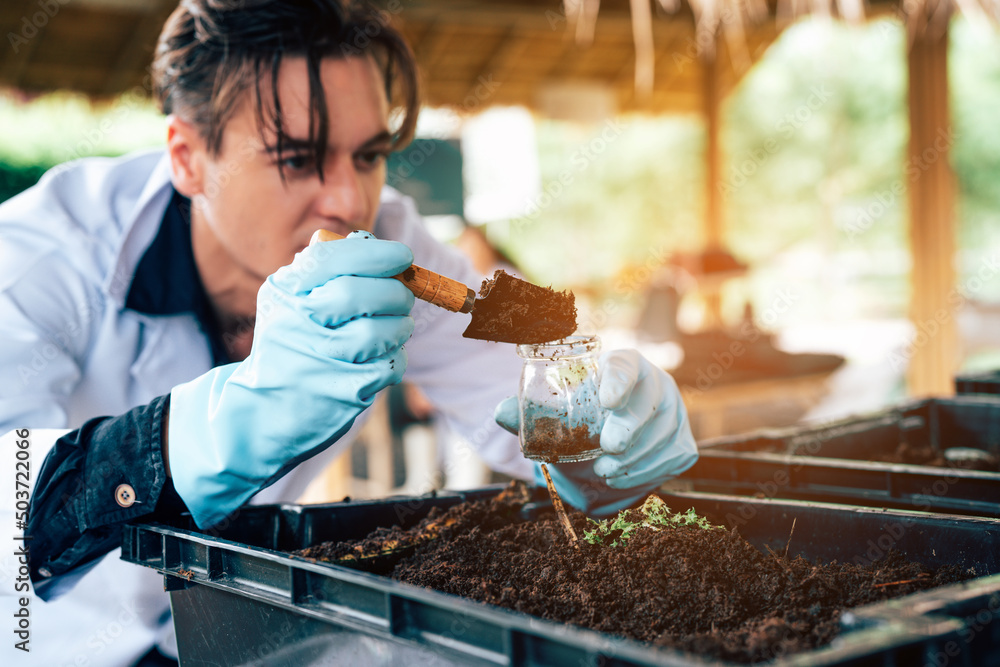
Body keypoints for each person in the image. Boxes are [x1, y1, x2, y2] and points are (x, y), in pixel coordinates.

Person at [0, 1, 698, 665]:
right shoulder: (45, 259)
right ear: (187, 156)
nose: (347, 201)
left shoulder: (391, 244)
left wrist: (598, 442)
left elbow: (521, 404)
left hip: (228, 624)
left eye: (368, 155)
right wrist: (204, 433)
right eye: (296, 159)